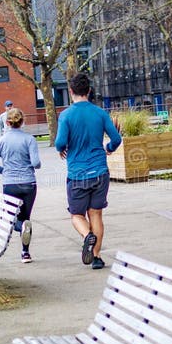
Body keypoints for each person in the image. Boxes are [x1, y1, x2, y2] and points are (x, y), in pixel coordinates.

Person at [55, 72, 121, 269]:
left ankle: (87, 236)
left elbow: (59, 143)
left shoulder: (66, 115)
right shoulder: (100, 113)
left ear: (71, 91)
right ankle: (97, 257)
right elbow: (116, 139)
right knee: (96, 215)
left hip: (77, 174)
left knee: (77, 215)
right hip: (100, 172)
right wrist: (107, 149)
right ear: (89, 91)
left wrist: (62, 149)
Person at [0, 107, 41, 263]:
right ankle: (25, 253)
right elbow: (36, 163)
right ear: (22, 121)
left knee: (13, 218)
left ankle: (20, 228)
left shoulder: (1, 141)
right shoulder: (29, 139)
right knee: (26, 218)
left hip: (10, 184)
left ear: (7, 122)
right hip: (28, 184)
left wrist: (4, 171)